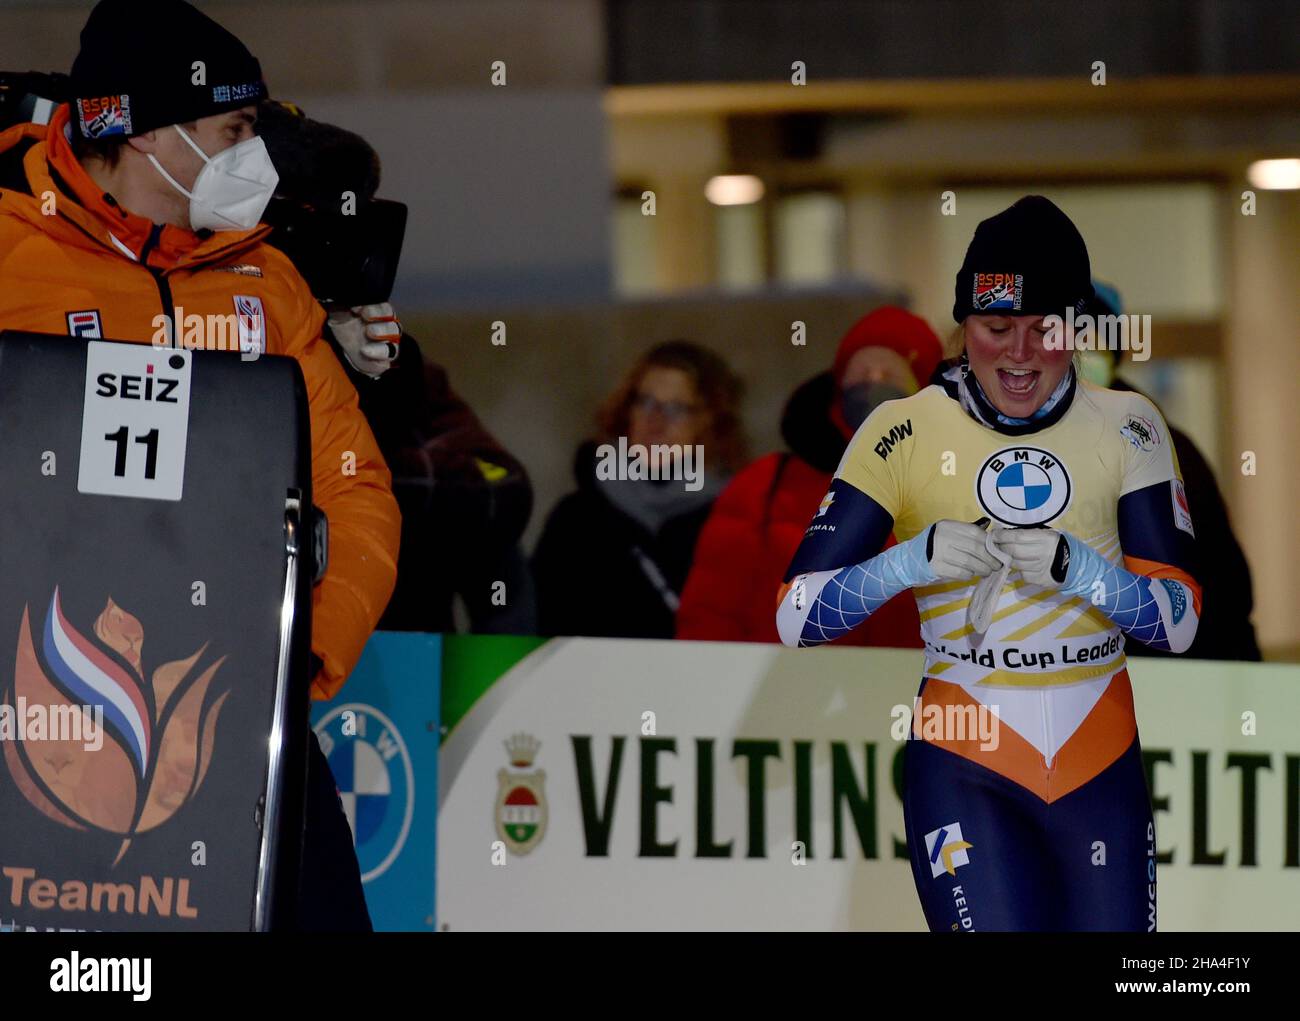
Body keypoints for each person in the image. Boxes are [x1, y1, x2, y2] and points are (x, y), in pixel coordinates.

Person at [0, 0, 400, 930]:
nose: (256, 156)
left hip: (239, 719)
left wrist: (298, 651)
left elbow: (356, 491)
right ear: (147, 135)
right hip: (35, 725)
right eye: (237, 128)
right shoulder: (13, 259)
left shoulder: (269, 279)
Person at [777, 196, 1201, 931]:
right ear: (961, 326)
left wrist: (1079, 569)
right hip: (965, 758)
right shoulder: (902, 429)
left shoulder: (1129, 426)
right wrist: (909, 561)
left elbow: (1183, 623)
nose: (1018, 354)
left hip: (1097, 755)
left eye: (1046, 330)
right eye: (995, 328)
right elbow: (795, 614)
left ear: (1080, 326)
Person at [256, 100, 536, 635]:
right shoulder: (207, 317)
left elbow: (502, 492)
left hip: (388, 641)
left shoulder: (386, 352)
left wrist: (363, 377)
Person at [676, 306, 935, 648]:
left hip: (898, 691)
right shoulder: (767, 483)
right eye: (861, 370)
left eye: (891, 373)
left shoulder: (953, 487)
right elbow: (711, 610)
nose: (874, 381)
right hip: (776, 690)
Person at [1081, 281, 1260, 661]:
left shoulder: (1163, 445)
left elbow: (1226, 588)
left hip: (1170, 669)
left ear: (1115, 355)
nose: (1079, 356)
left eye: (1091, 342)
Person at [532, 340, 744, 638]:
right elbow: (541, 631)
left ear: (709, 420)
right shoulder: (577, 519)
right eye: (644, 402)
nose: (655, 421)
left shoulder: (738, 522)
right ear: (625, 411)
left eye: (676, 409)